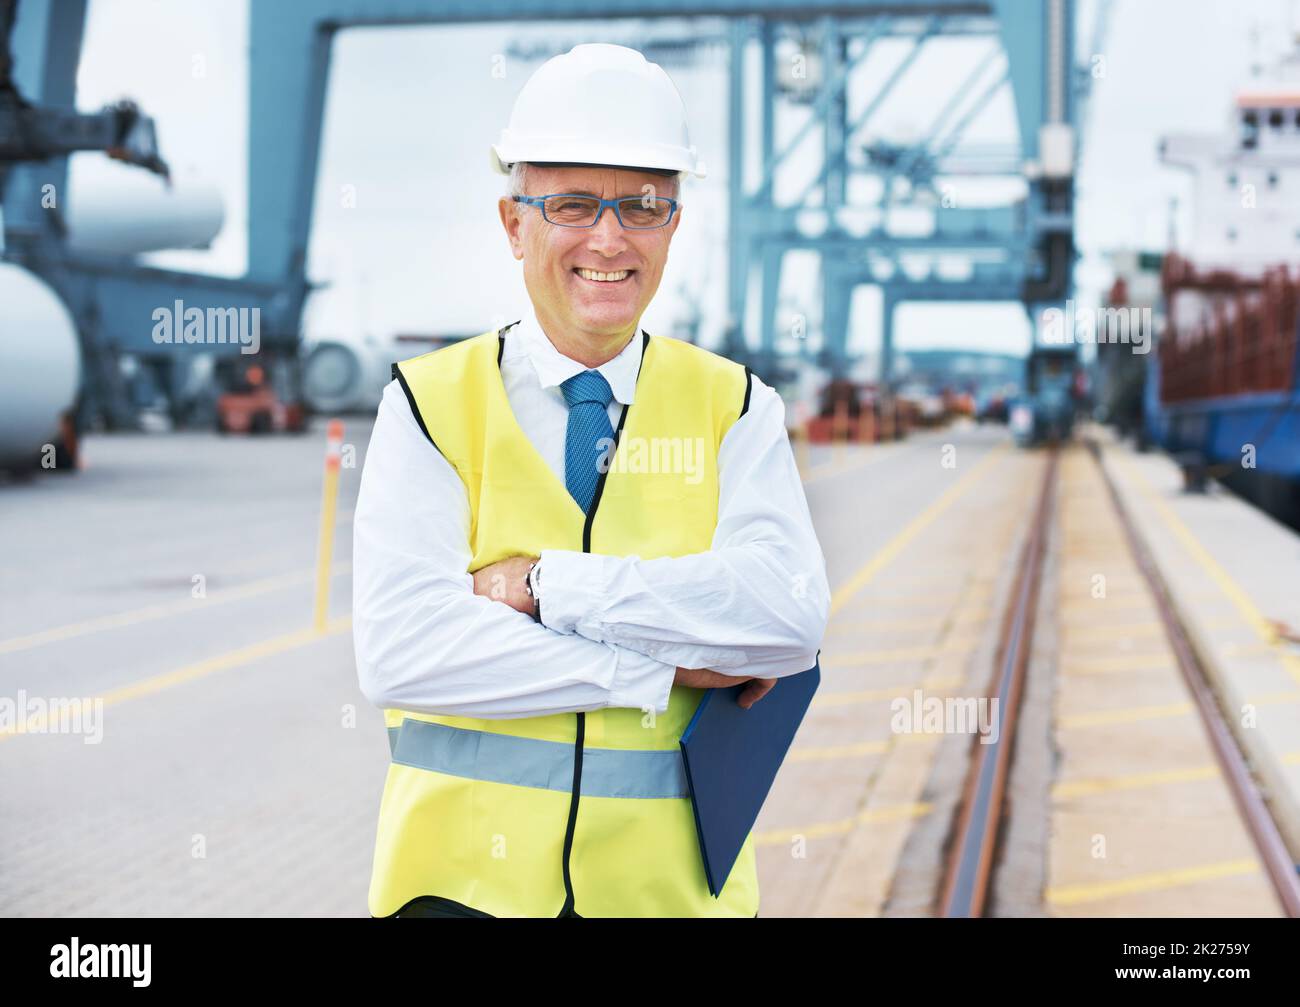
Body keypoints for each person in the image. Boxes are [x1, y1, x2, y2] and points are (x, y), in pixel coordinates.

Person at [353, 42, 829, 918]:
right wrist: (666, 667)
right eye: (572, 203)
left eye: (642, 206)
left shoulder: (736, 407)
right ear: (513, 224)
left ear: (674, 224)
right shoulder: (427, 405)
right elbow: (403, 652)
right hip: (458, 893)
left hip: (670, 897)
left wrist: (546, 585)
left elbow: (787, 620)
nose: (608, 239)